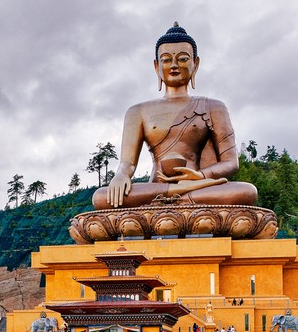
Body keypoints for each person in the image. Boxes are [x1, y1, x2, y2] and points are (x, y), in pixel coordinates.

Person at [93, 23, 258, 210]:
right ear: (156, 66)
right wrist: (122, 175)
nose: (173, 65)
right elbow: (127, 164)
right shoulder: (137, 111)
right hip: (157, 187)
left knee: (247, 192)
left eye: (182, 59)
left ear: (195, 64)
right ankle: (176, 199)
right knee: (101, 197)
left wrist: (200, 177)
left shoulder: (214, 107)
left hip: (197, 186)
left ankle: (164, 204)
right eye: (165, 60)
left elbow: (231, 162)